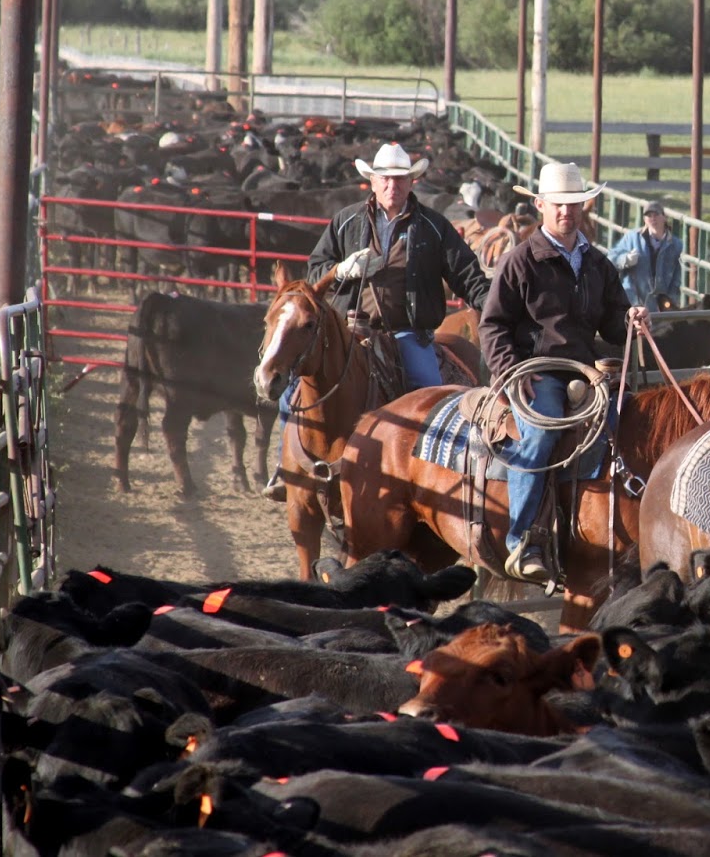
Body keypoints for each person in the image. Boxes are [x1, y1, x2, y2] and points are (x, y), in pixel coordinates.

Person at [263, 141, 490, 501]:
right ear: (372, 181)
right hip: (350, 326)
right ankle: (285, 468)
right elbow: (315, 270)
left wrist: (494, 306)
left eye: (400, 179)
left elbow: (467, 275)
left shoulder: (433, 227)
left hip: (408, 331)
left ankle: (433, 479)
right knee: (292, 390)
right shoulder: (347, 220)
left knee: (431, 393)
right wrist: (342, 270)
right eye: (385, 179)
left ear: (411, 183)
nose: (392, 186)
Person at [479, 161, 649, 583]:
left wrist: (630, 319)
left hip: (585, 370)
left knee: (631, 422)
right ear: (540, 204)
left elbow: (612, 321)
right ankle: (522, 541)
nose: (566, 212)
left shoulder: (597, 264)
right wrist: (511, 371)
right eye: (557, 204)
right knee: (539, 435)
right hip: (538, 371)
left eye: (573, 204)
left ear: (584, 207)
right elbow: (492, 325)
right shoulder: (521, 261)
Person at [606, 200, 683, 307]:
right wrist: (625, 259)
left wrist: (672, 300)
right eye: (649, 215)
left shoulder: (676, 245)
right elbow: (610, 259)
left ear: (664, 218)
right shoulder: (632, 238)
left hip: (662, 307)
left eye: (656, 214)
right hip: (634, 303)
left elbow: (677, 277)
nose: (652, 218)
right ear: (644, 220)